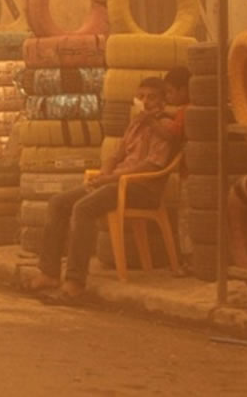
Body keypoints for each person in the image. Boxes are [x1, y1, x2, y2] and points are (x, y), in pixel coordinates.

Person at [23, 77, 179, 305]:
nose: (145, 102)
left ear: (163, 102)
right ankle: (49, 273)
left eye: (152, 98)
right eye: (141, 97)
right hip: (115, 182)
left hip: (141, 187)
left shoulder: (165, 127)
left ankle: (76, 281)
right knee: (58, 202)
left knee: (83, 208)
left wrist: (112, 178)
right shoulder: (135, 124)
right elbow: (117, 155)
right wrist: (104, 174)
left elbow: (151, 166)